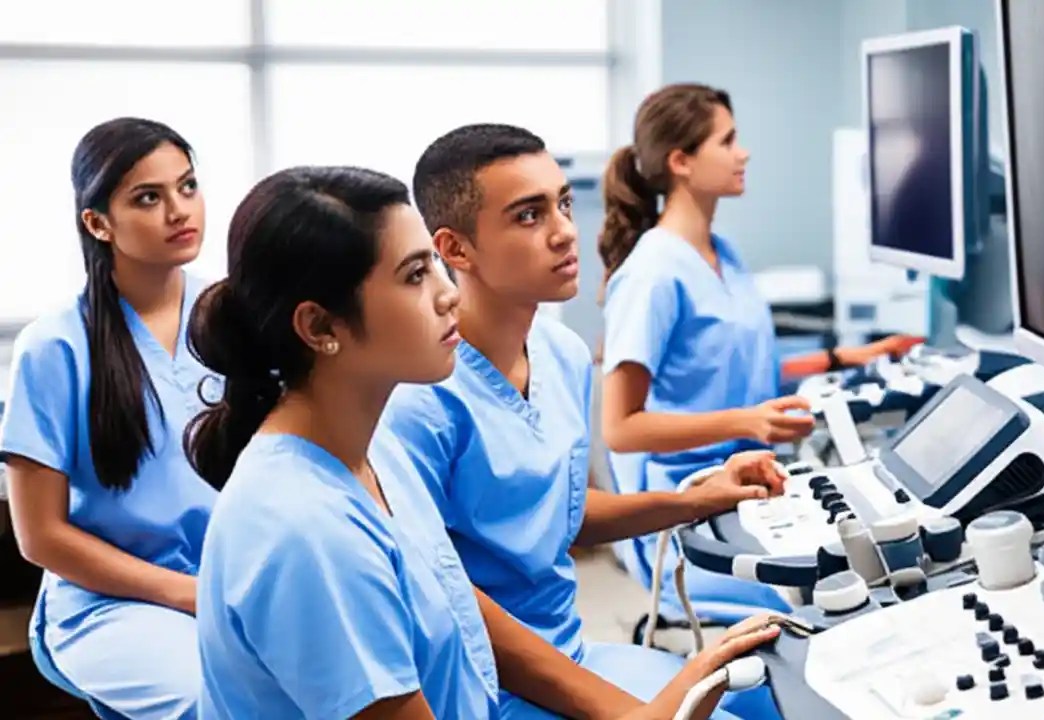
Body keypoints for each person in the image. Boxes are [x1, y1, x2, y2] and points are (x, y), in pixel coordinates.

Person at [189, 164, 779, 720]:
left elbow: (468, 613)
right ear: (320, 327)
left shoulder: (373, 455)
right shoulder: (304, 530)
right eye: (415, 275)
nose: (448, 295)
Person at [379, 123, 787, 720]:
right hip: (483, 687)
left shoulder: (562, 352)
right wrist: (621, 712)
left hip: (573, 650)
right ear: (455, 249)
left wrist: (696, 500)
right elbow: (445, 595)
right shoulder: (418, 400)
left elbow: (558, 515)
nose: (565, 230)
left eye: (563, 204)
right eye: (527, 215)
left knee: (778, 691)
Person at [597, 83, 919, 615]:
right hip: (686, 515)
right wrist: (746, 423)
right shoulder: (652, 275)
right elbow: (620, 428)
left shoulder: (723, 251)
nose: (742, 153)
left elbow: (731, 367)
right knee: (841, 590)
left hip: (744, 481)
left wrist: (844, 360)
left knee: (873, 556)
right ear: (681, 161)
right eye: (727, 141)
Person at [0, 117, 214, 718]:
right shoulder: (56, 346)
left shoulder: (234, 319)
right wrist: (185, 593)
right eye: (149, 197)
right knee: (219, 699)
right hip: (111, 605)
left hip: (231, 588)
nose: (179, 210)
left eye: (188, 186)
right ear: (97, 223)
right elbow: (39, 536)